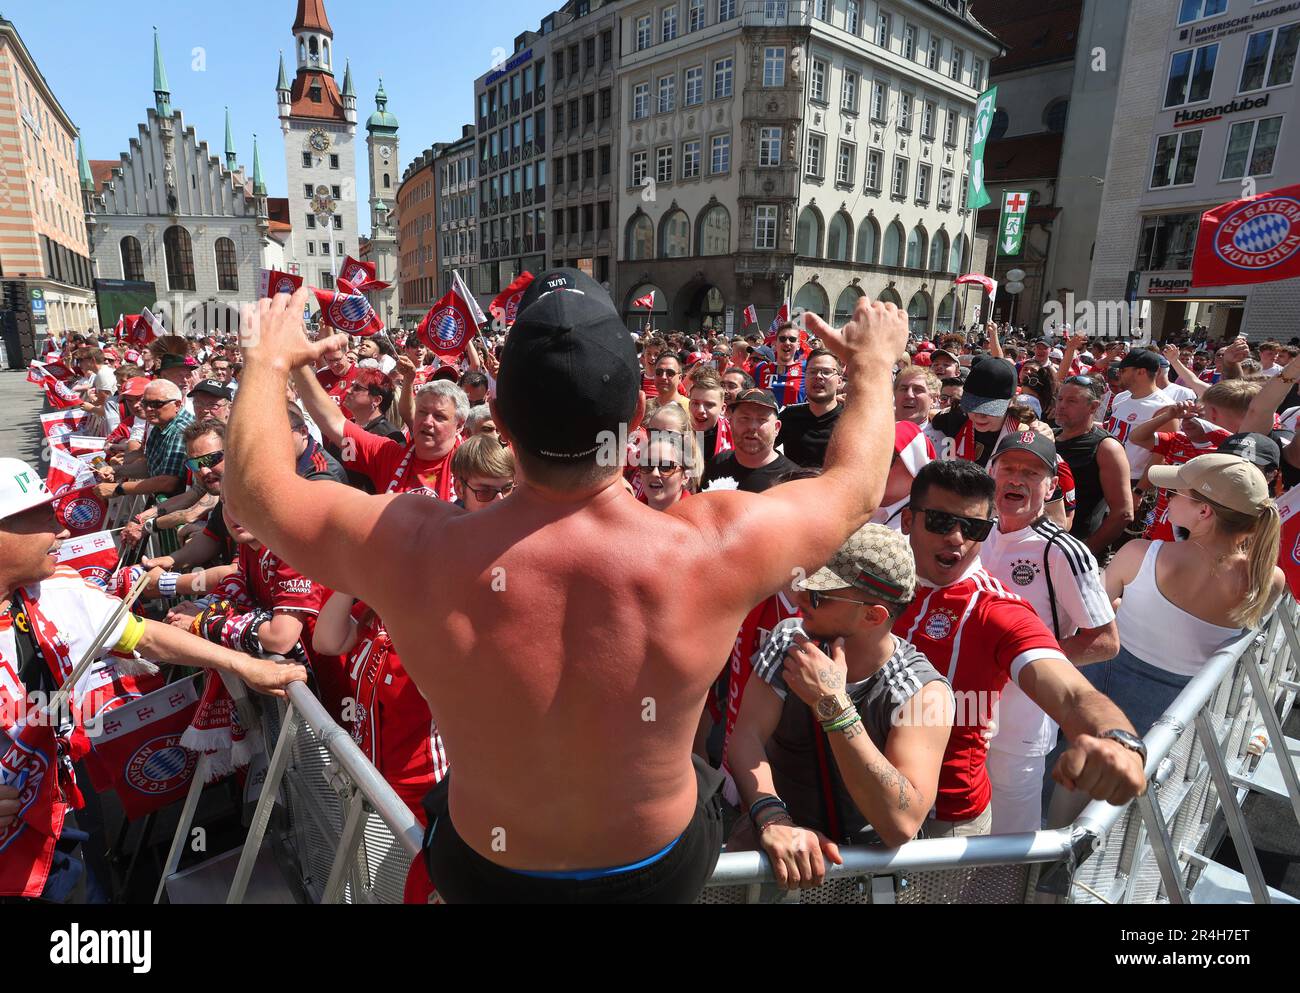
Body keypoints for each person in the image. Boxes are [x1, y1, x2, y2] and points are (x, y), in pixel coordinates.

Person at [226, 276, 908, 903]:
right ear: (638, 417)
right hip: (655, 870)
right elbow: (854, 490)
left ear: (497, 415)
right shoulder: (713, 545)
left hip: (490, 870)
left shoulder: (417, 546)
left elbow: (255, 495)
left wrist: (266, 360)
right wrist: (873, 365)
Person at [0, 459, 305, 899]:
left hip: (57, 803)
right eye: (43, 518)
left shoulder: (55, 592)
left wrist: (244, 666)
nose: (63, 530)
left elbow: (148, 637)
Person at [895, 459, 1148, 837]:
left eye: (975, 528)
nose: (957, 539)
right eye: (941, 522)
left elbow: (1072, 692)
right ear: (907, 522)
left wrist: (1117, 739)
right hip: (863, 794)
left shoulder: (997, 610)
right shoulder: (881, 577)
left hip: (942, 818)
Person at [728, 524, 953, 886]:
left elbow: (900, 823)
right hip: (783, 858)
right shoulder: (790, 640)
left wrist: (833, 704)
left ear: (873, 616)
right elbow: (746, 738)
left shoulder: (924, 691)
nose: (800, 598)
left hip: (871, 877)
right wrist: (773, 818)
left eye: (820, 596)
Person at [981, 431, 1119, 834]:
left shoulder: (1063, 551)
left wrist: (1020, 664)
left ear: (1052, 485)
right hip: (967, 708)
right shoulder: (978, 531)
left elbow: (1105, 641)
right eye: (1008, 468)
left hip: (1022, 717)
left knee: (1010, 832)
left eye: (1031, 472)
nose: (1016, 479)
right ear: (992, 473)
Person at [1091, 454, 1284, 735]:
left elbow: (1088, 617)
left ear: (1204, 511)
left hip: (1104, 699)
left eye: (1175, 493)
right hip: (1181, 722)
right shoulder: (1267, 578)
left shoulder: (1138, 554)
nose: (1168, 499)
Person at [296, 356, 466, 499]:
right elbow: (333, 420)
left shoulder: (473, 466)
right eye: (422, 412)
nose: (428, 421)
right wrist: (297, 362)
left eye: (439, 416)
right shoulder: (387, 454)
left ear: (459, 425)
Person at [1053, 375, 1134, 553]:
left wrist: (1083, 553)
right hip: (1041, 548)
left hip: (1077, 549)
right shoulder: (1049, 437)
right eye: (1060, 399)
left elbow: (1123, 513)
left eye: (1072, 401)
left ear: (1093, 406)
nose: (1062, 405)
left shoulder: (1106, 448)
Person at [94, 380, 194, 500]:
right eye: (146, 403)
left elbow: (168, 482)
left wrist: (119, 489)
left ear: (177, 405)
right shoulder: (160, 423)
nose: (149, 409)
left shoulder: (180, 430)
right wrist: (116, 471)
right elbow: (149, 464)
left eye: (157, 404)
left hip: (178, 505)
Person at [701, 389, 799, 494]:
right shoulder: (717, 464)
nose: (752, 427)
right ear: (731, 423)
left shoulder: (794, 480)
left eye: (762, 419)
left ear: (776, 428)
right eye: (744, 418)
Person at [930, 357, 1018, 466]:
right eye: (972, 406)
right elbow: (932, 414)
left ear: (1011, 402)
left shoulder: (1021, 433)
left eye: (990, 409)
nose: (979, 416)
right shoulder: (958, 416)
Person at [776, 349, 843, 469]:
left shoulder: (852, 419)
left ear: (839, 381)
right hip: (794, 485)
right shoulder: (789, 416)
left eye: (826, 372)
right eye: (812, 372)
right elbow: (763, 451)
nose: (818, 376)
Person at [870, 421, 935, 530]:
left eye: (886, 459)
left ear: (914, 467)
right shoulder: (852, 503)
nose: (874, 466)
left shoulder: (924, 525)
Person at [450, 434, 517, 513]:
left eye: (507, 489)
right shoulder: (443, 524)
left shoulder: (526, 522)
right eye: (485, 491)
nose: (500, 500)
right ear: (459, 489)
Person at [343, 368, 407, 444]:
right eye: (352, 385)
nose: (348, 390)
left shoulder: (391, 437)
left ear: (376, 400)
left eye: (357, 388)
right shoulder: (346, 426)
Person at [753, 324, 807, 409]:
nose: (787, 343)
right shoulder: (760, 369)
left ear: (798, 345)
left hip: (794, 421)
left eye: (792, 339)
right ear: (775, 343)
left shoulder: (807, 369)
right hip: (766, 420)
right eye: (782, 339)